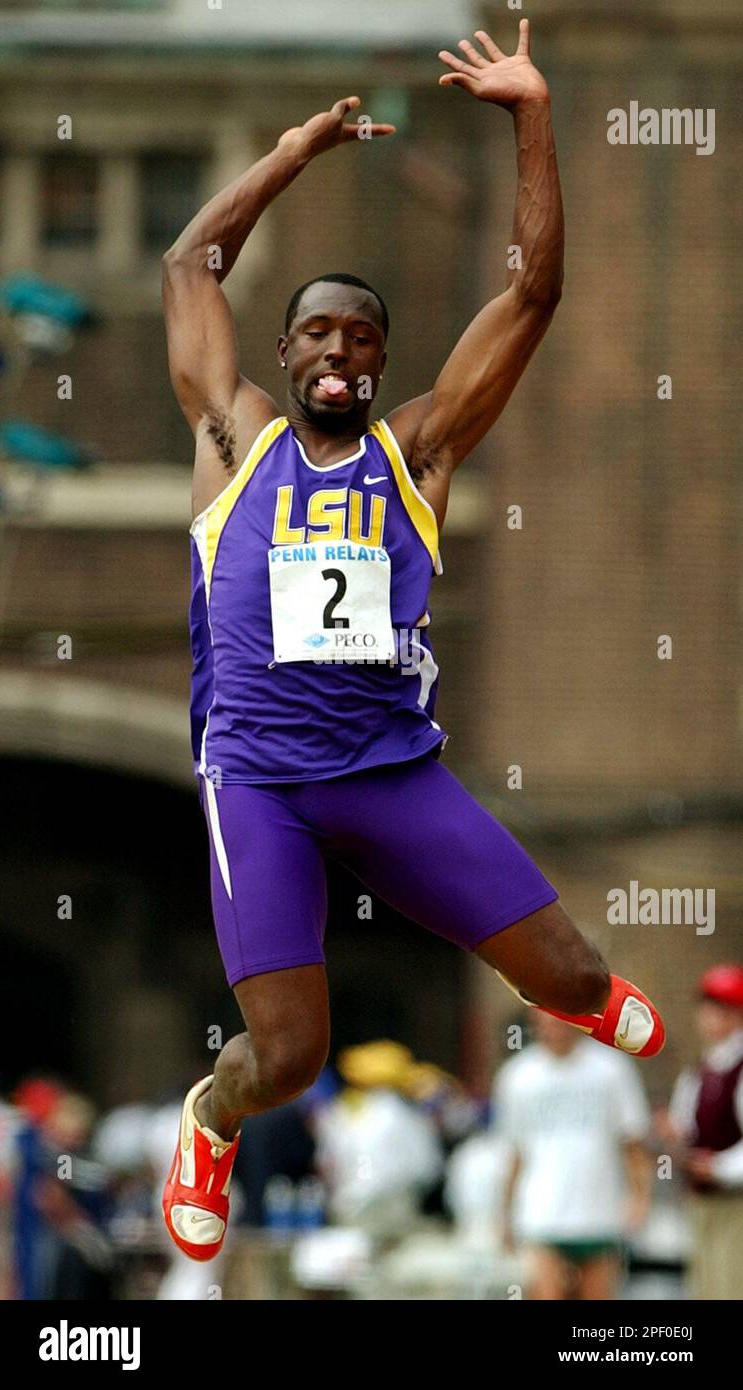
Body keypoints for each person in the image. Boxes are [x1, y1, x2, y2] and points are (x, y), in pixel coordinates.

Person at [160, 19, 665, 1262]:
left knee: (578, 984)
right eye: (317, 333)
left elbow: (533, 291)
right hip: (263, 780)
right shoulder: (237, 437)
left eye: (362, 336)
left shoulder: (420, 455)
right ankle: (207, 1122)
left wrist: (531, 111)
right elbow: (187, 268)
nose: (339, 351)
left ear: (384, 361)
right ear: (285, 353)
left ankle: (532, 965)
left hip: (388, 766)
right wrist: (291, 150)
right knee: (284, 1059)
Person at [496, 1011, 654, 1300]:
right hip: (542, 1214)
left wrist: (640, 1197)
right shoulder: (518, 1076)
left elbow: (632, 1142)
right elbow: (515, 1152)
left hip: (599, 1214)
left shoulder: (611, 1068)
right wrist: (504, 1213)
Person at [666, 964, 743, 1300]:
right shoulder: (698, 1073)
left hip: (735, 1204)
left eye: (721, 1009)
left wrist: (720, 1167)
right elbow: (687, 1130)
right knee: (705, 1289)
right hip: (702, 1202)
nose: (710, 1017)